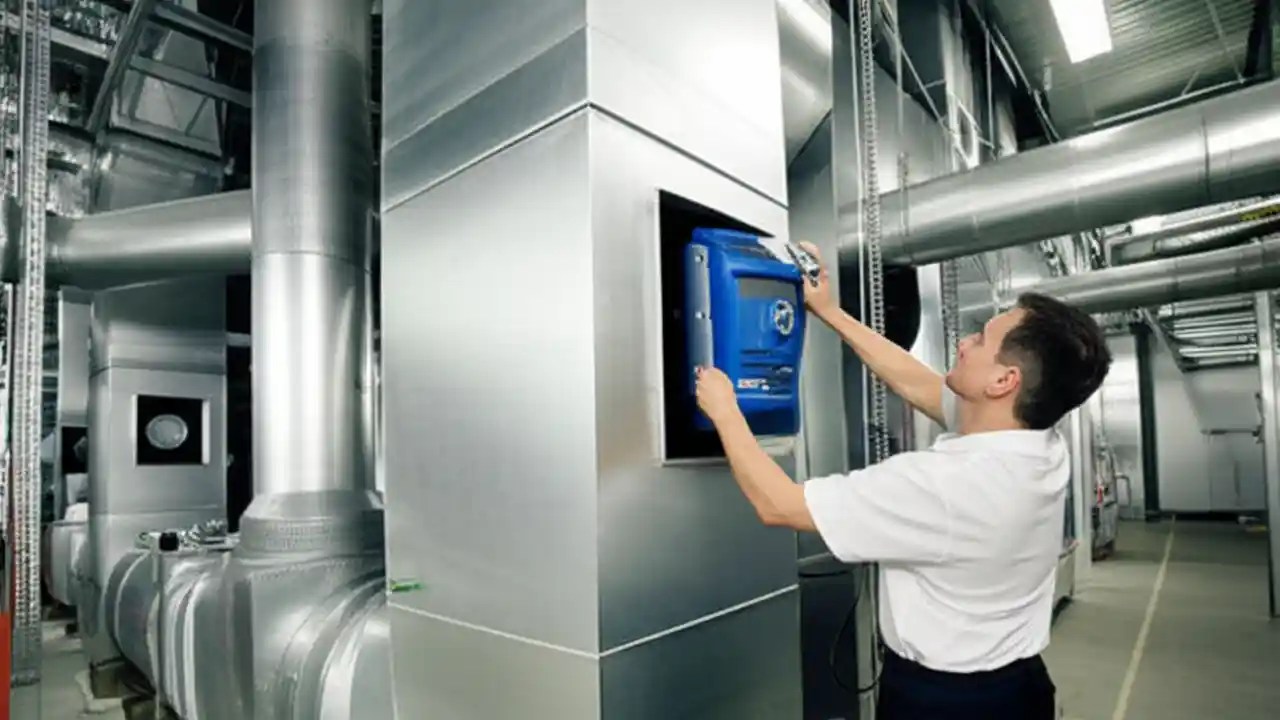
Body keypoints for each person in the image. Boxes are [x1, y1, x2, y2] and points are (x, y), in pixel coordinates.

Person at [694, 242, 1111, 719]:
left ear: (1003, 382)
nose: (964, 342)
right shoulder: (1039, 443)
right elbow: (918, 384)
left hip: (943, 704)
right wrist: (831, 312)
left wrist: (725, 409)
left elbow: (779, 504)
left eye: (980, 340)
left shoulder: (944, 484)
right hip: (1020, 690)